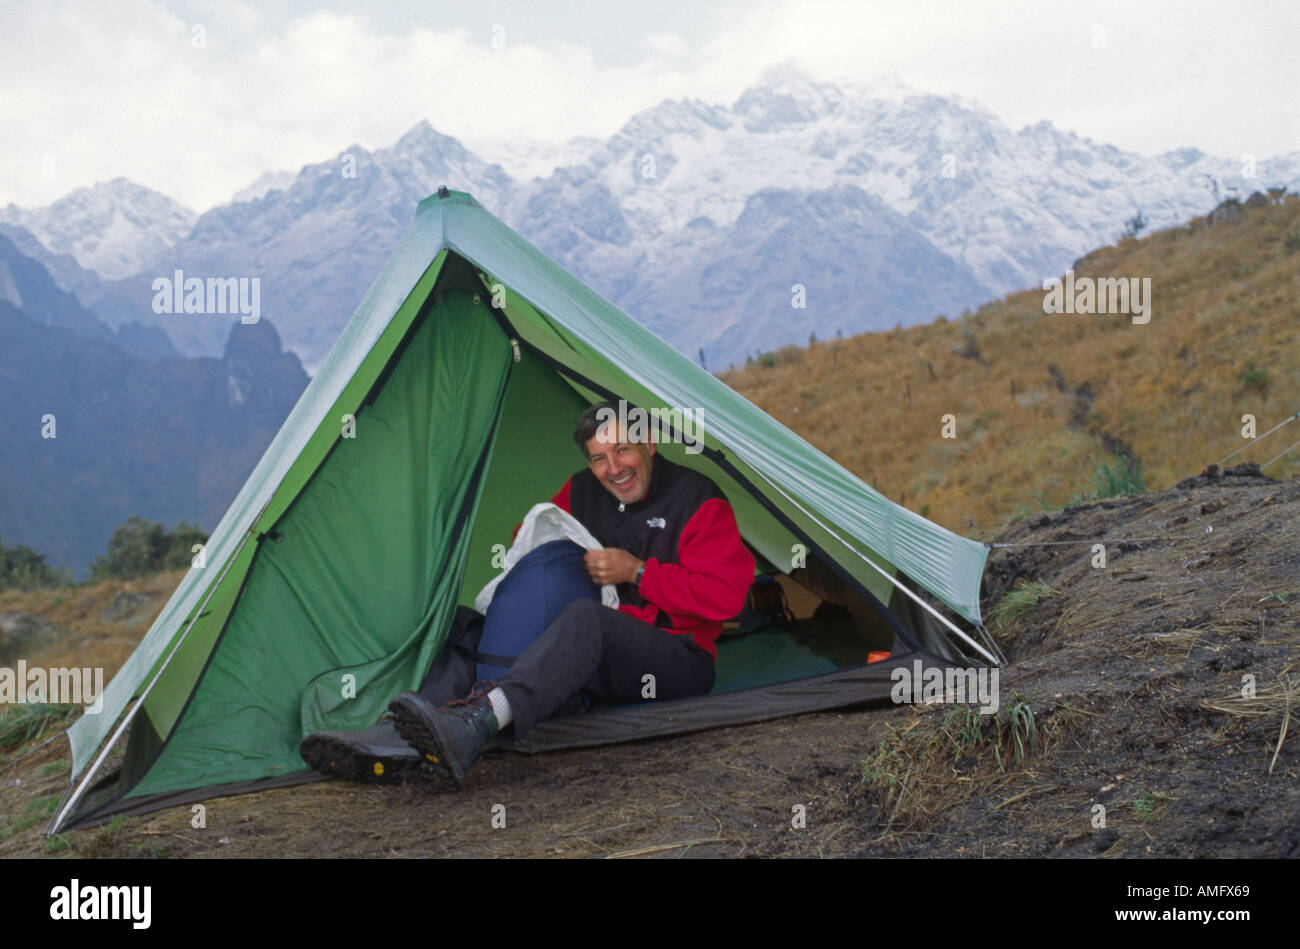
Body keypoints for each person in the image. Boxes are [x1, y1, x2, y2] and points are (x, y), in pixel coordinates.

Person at [301, 399, 755, 788]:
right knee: (470, 624)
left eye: (623, 451)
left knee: (585, 619)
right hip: (588, 655)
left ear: (649, 443)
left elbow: (726, 598)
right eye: (599, 458)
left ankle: (476, 724)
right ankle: (400, 739)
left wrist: (636, 572)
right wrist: (562, 566)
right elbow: (535, 539)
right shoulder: (582, 491)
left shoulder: (698, 499)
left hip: (677, 658)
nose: (613, 469)